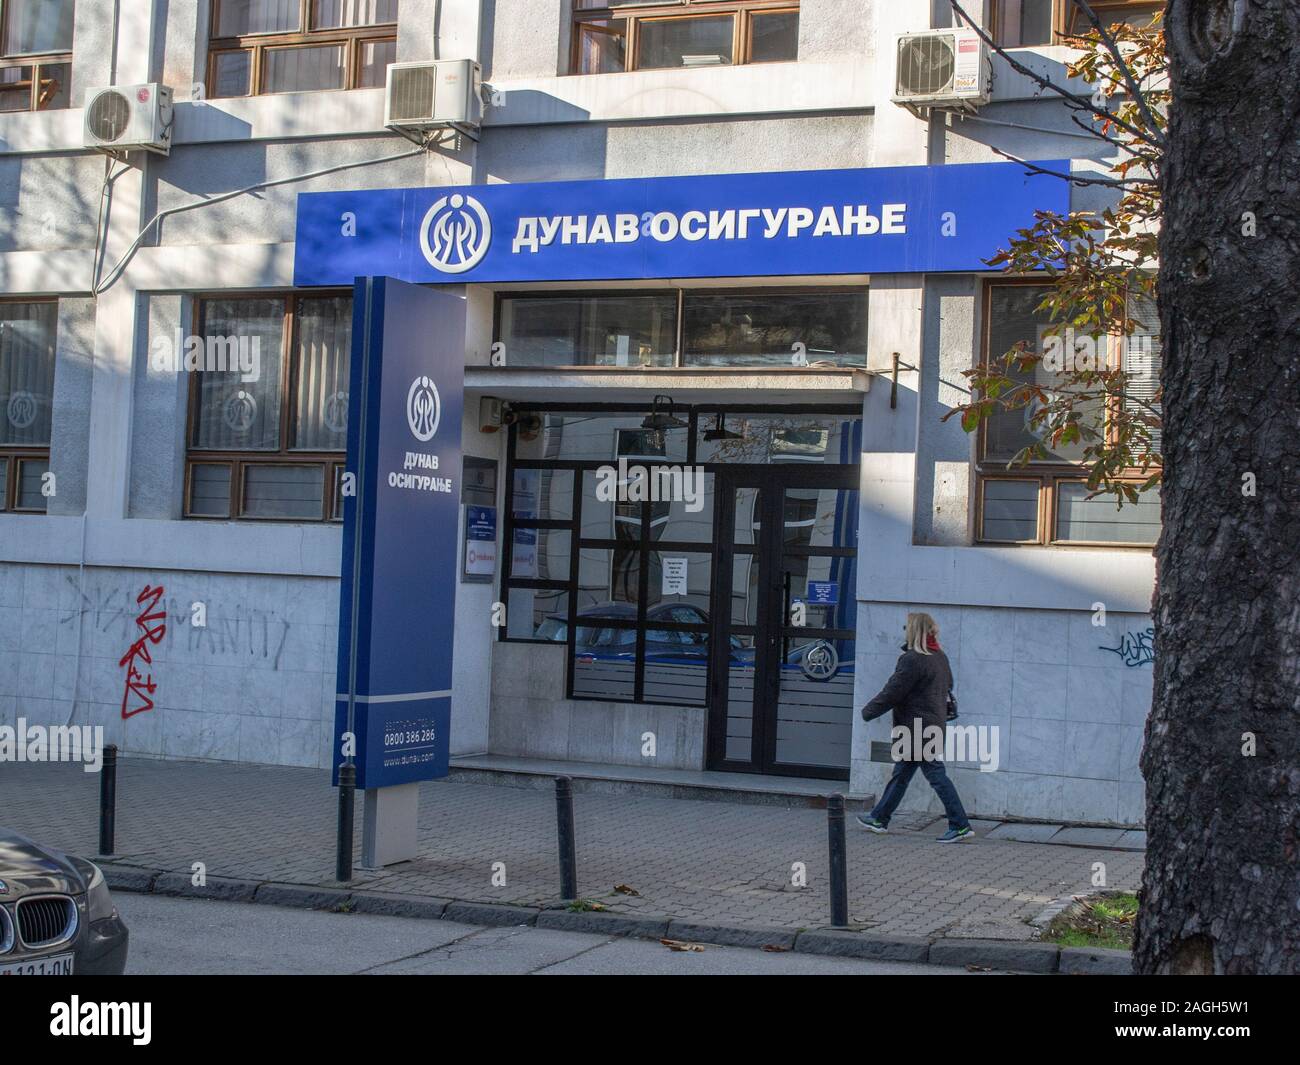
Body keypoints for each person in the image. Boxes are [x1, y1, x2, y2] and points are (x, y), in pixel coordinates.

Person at [857, 612, 974, 843]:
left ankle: (960, 824)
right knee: (902, 773)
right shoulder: (939, 657)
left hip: (916, 728)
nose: (904, 631)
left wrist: (868, 712)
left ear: (914, 630)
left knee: (936, 775)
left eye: (906, 627)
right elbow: (949, 685)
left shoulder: (912, 659)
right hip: (932, 724)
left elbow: (893, 692)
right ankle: (879, 818)